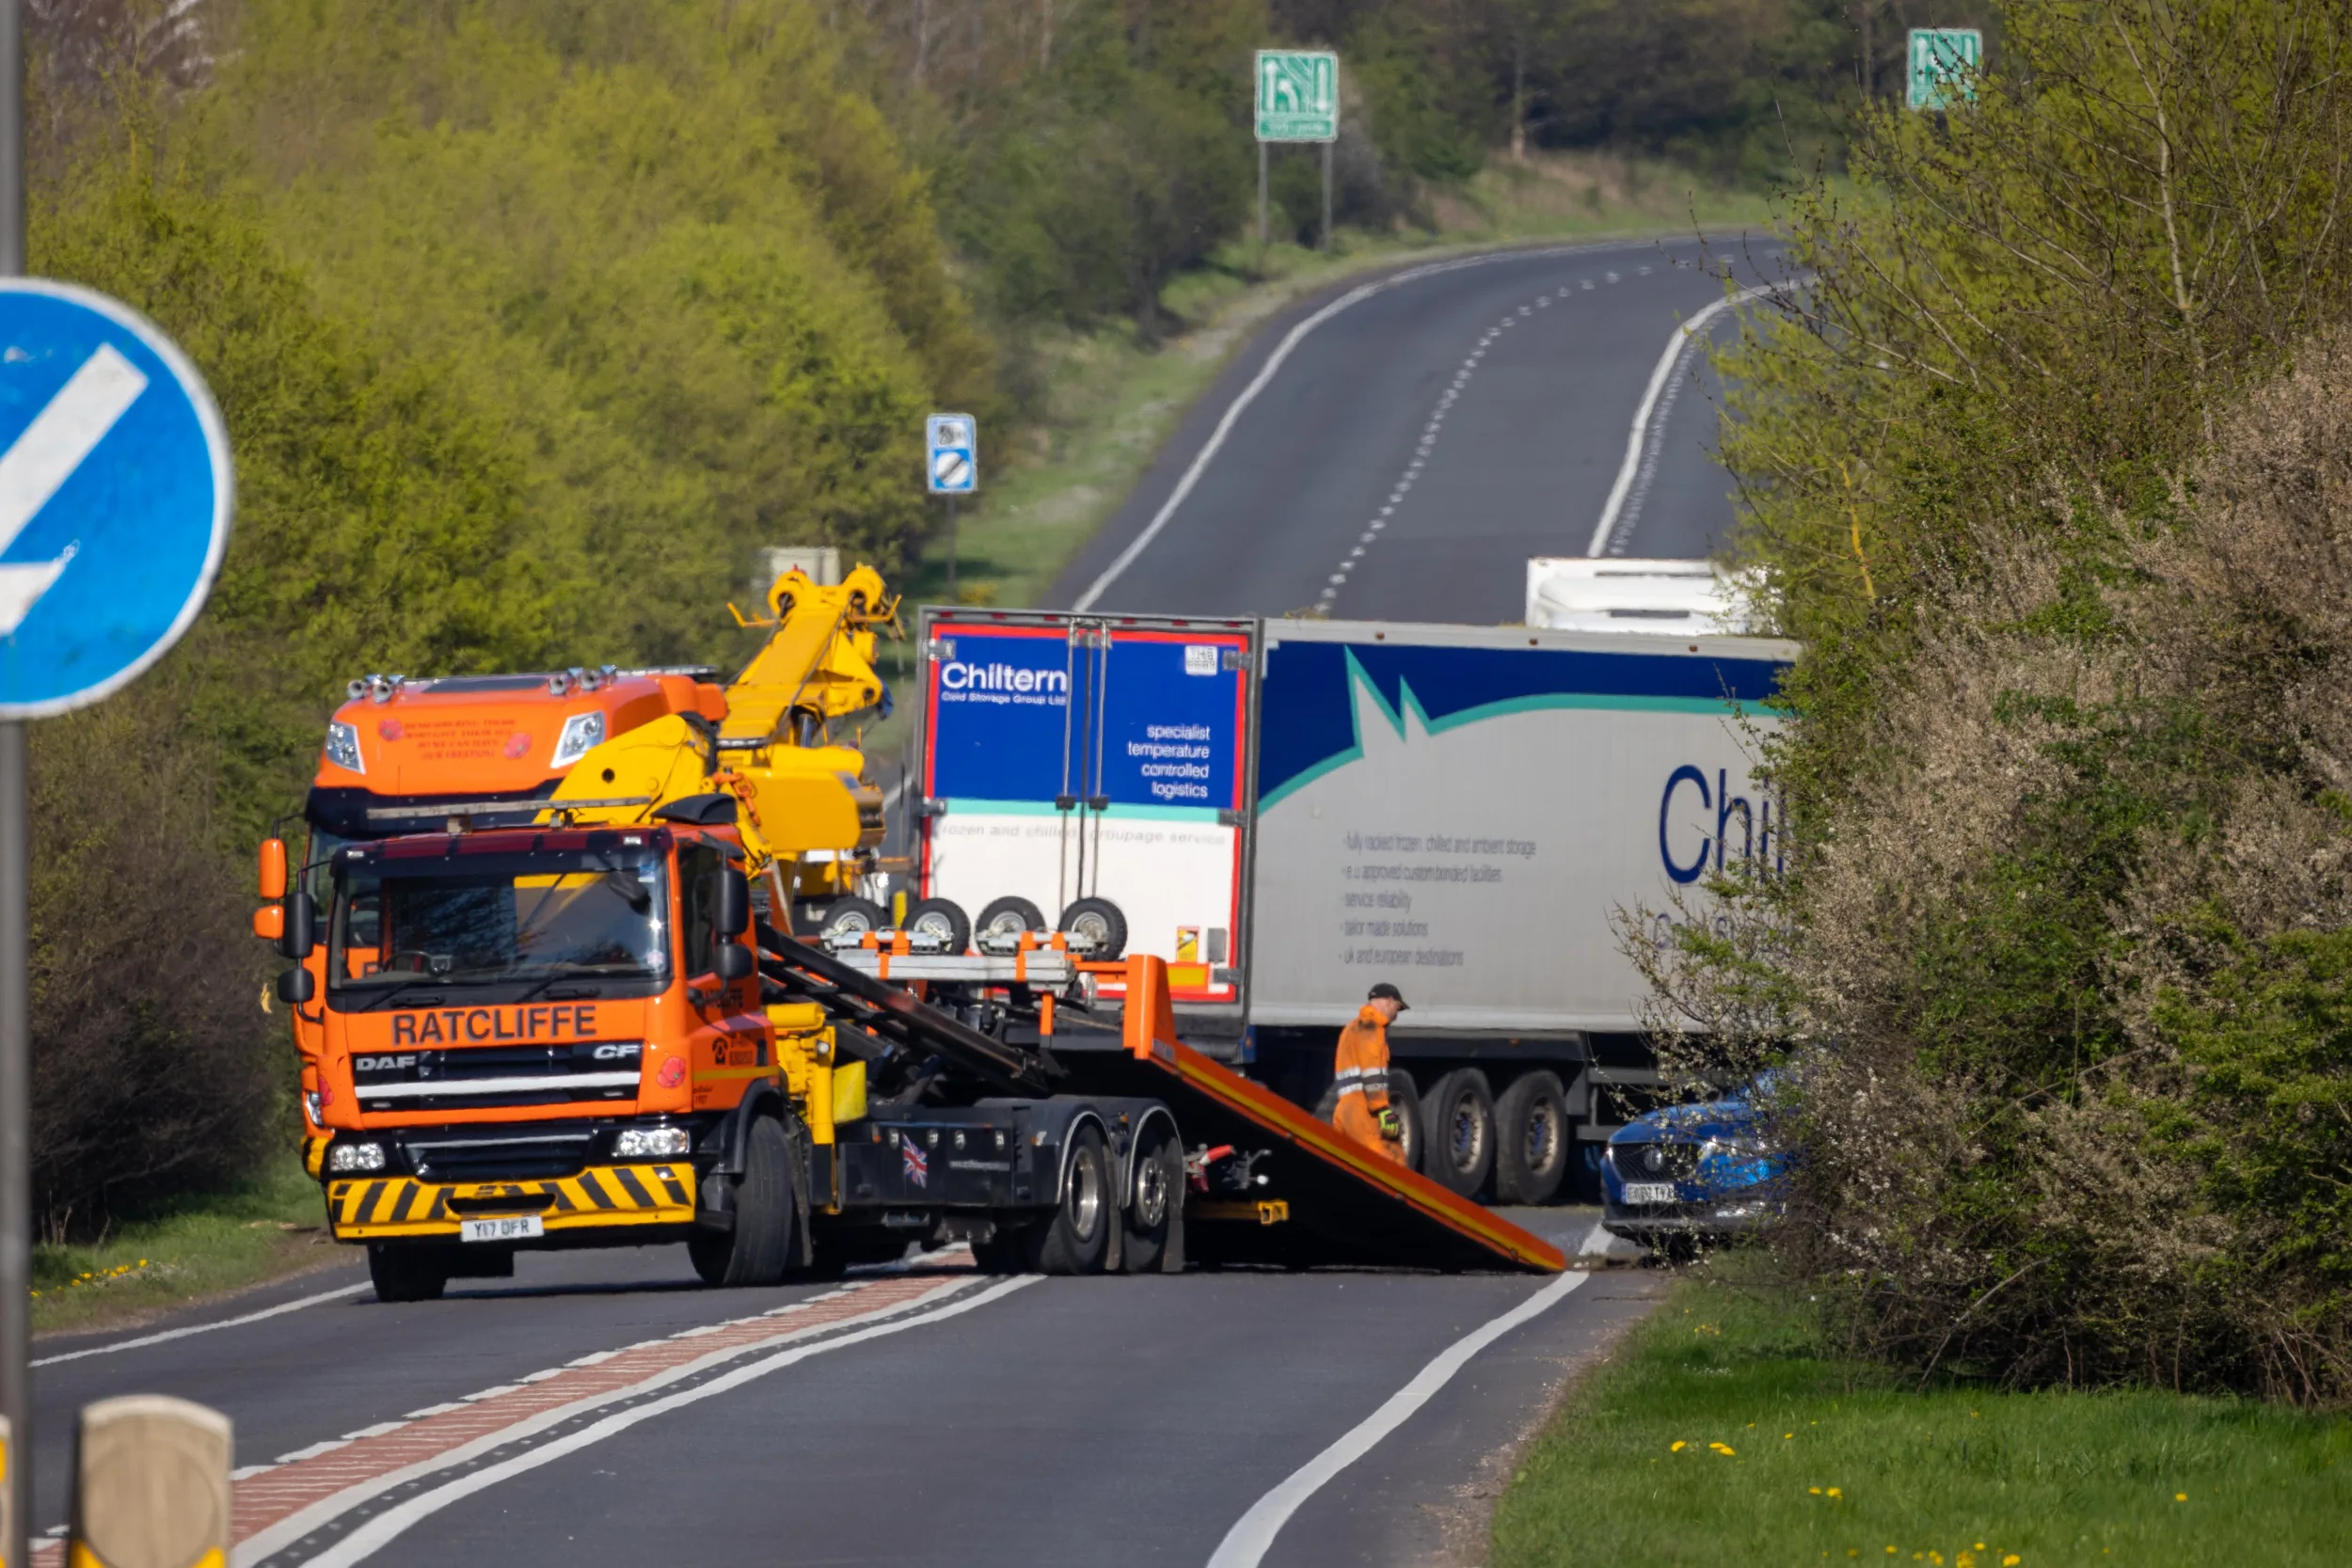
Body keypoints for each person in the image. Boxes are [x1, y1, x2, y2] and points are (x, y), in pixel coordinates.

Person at [1331, 982, 1408, 1166]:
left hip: (1344, 1110)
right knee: (1390, 1162)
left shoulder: (1350, 1028)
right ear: (1389, 1002)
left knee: (1348, 1164)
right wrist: (1382, 1109)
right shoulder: (1372, 1028)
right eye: (1398, 1009)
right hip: (1363, 1109)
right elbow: (1371, 1071)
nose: (1396, 1016)